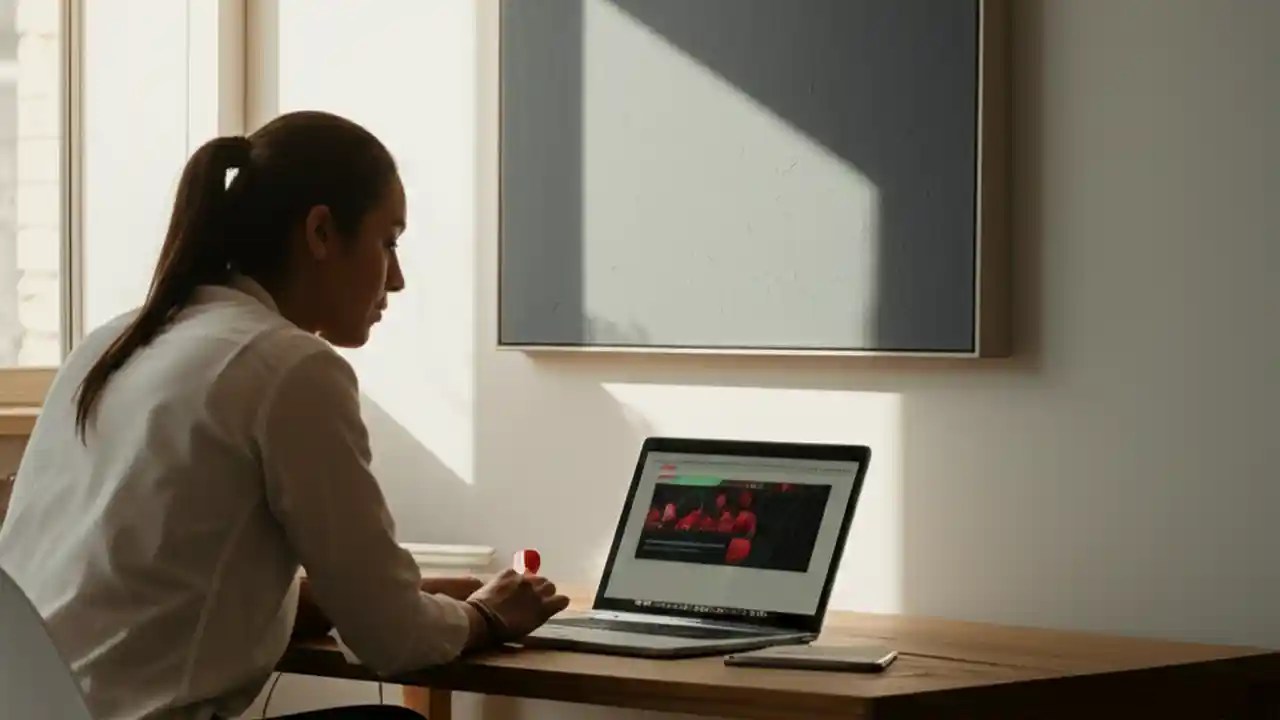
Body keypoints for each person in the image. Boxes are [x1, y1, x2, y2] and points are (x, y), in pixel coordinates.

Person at [0, 111, 569, 720]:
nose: (397, 279)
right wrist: (488, 615)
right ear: (321, 233)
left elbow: (157, 587)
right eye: (388, 241)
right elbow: (393, 640)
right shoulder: (290, 366)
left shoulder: (112, 345)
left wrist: (377, 599)